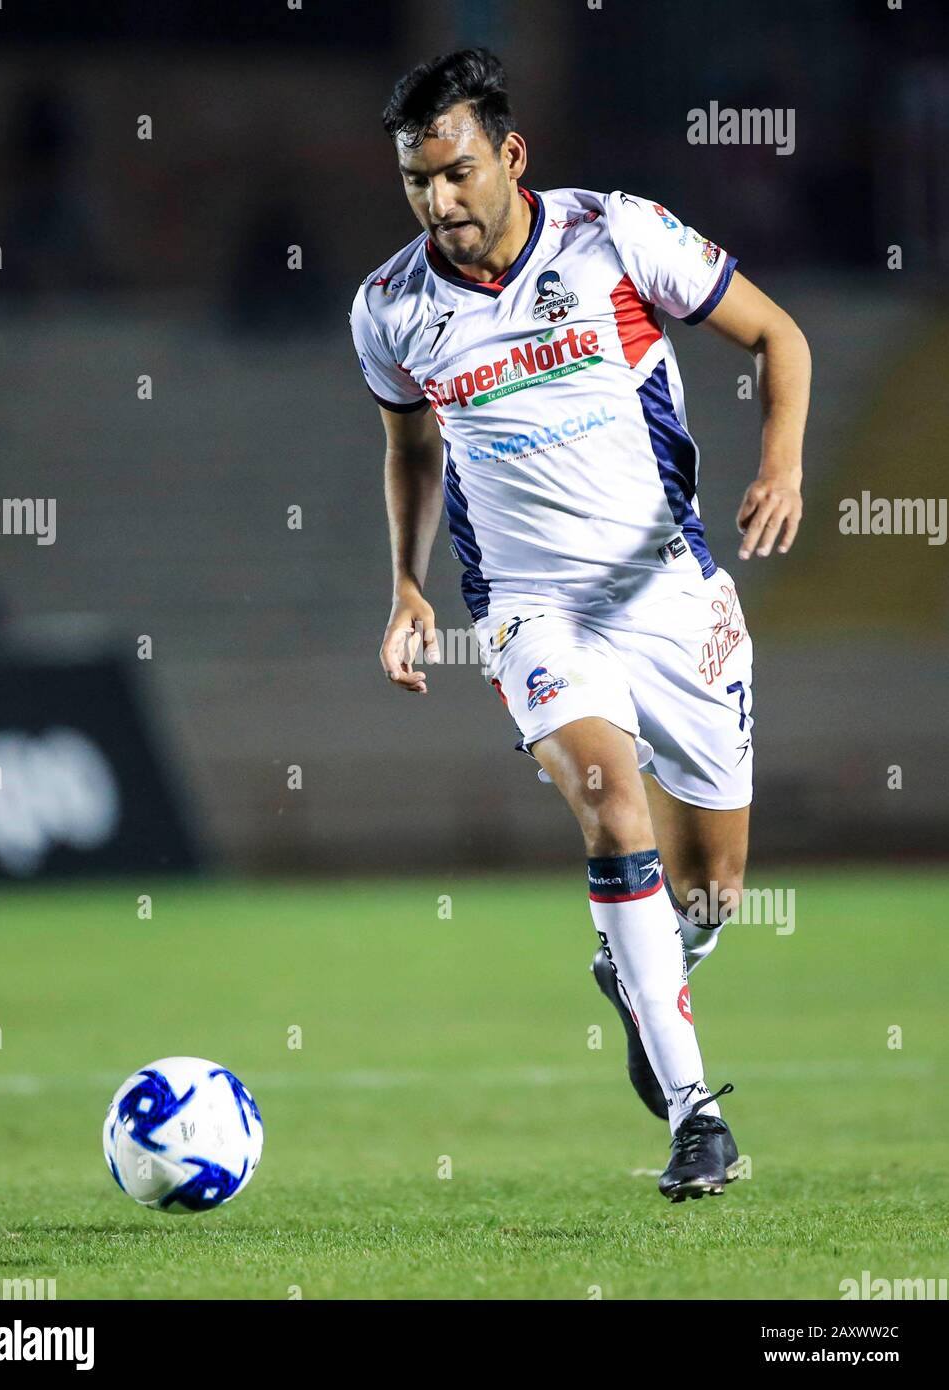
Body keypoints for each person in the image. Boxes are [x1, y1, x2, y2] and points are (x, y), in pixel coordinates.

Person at [349, 49, 811, 1201]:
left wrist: (783, 466)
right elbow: (409, 448)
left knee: (711, 887)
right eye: (416, 182)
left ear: (509, 156)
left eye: (455, 174)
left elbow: (779, 338)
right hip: (530, 611)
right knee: (608, 801)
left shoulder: (618, 237)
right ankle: (697, 1116)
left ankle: (642, 966)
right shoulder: (391, 309)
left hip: (671, 595)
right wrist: (407, 587)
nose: (439, 204)